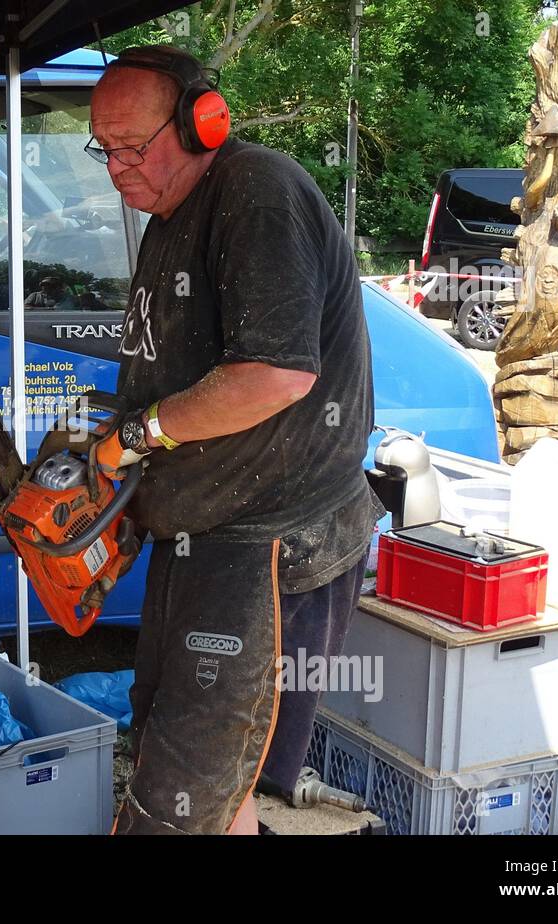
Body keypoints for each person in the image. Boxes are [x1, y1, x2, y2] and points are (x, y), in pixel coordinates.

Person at [88, 45, 384, 835]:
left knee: (183, 798)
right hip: (208, 543)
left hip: (269, 550)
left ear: (200, 121)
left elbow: (274, 376)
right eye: (104, 148)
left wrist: (138, 439)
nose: (116, 168)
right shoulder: (167, 214)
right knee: (199, 776)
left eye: (132, 146)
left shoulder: (256, 193)